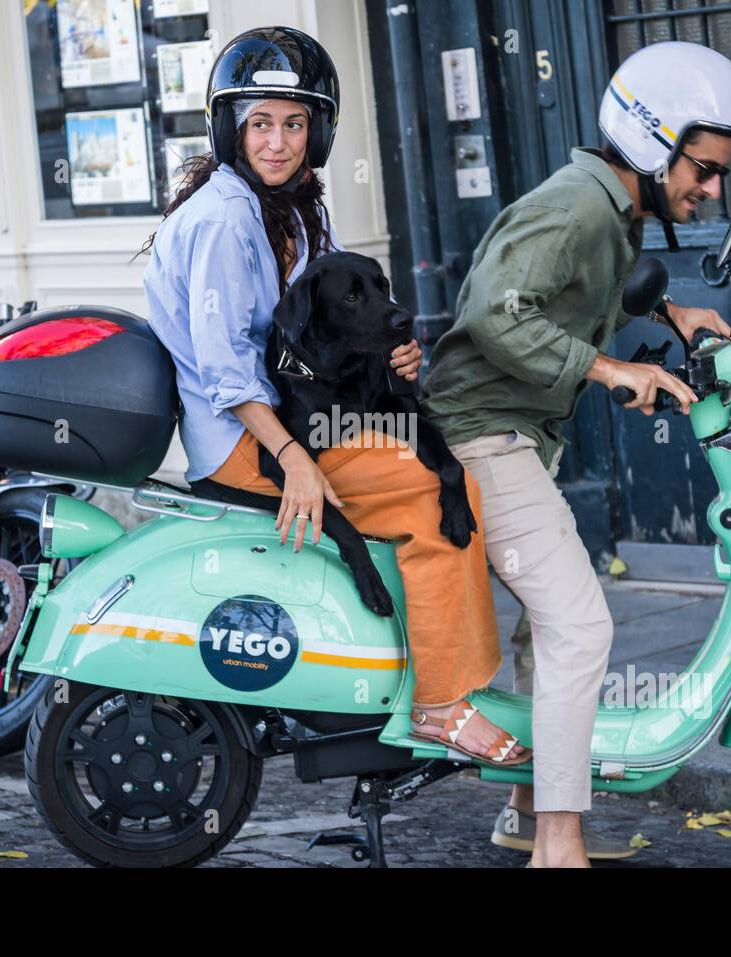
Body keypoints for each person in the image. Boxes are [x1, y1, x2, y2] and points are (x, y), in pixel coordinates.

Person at [140, 27, 528, 766]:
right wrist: (295, 460)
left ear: (316, 132)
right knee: (430, 493)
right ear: (232, 129)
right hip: (248, 441)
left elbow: (333, 318)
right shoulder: (226, 221)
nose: (278, 142)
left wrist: (391, 348)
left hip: (305, 415)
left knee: (454, 468)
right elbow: (228, 373)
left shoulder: (296, 207)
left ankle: (412, 667)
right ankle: (441, 704)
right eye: (260, 124)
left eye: (293, 124)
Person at [420, 40, 731, 867]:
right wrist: (609, 367)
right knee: (579, 623)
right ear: (650, 142)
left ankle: (530, 810)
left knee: (549, 624)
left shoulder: (610, 213)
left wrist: (670, 314)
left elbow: (588, 288)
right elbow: (494, 312)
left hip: (518, 435)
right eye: (704, 169)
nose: (711, 189)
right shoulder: (576, 204)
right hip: (481, 433)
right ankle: (558, 848)